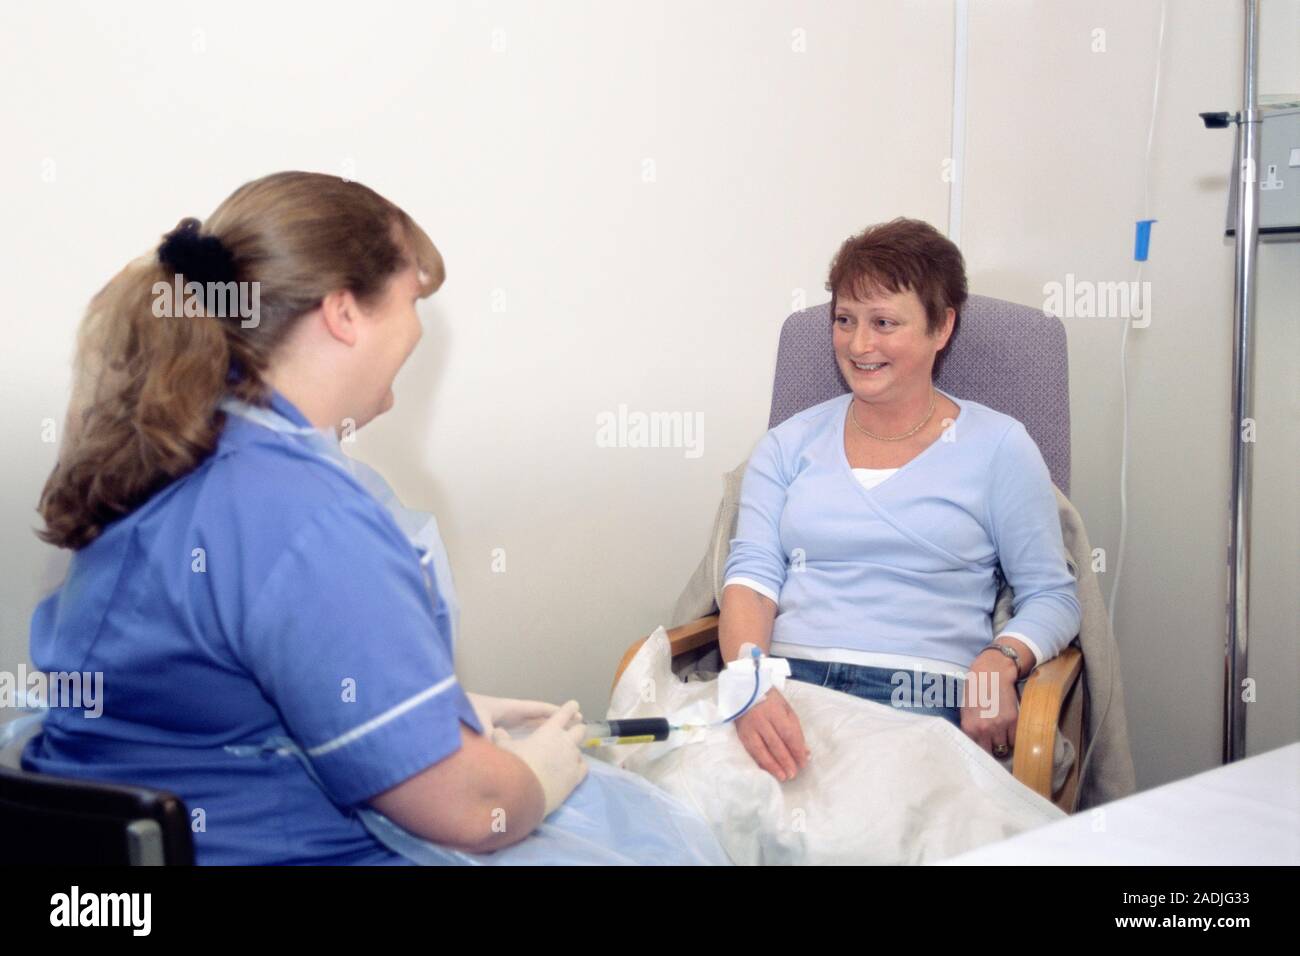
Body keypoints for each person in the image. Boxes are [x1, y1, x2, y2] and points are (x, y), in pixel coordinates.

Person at [23, 171, 729, 865]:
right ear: (344, 312)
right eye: (412, 299)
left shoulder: (165, 455)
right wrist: (536, 776)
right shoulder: (308, 514)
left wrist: (431, 709)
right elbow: (468, 811)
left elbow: (215, 684)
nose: (419, 328)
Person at [719, 217, 1082, 783]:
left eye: (884, 323)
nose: (859, 345)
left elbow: (1053, 596)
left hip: (920, 699)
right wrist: (751, 683)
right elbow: (752, 578)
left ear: (942, 328)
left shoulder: (999, 447)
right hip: (785, 689)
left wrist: (1000, 659)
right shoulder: (788, 444)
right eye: (844, 320)